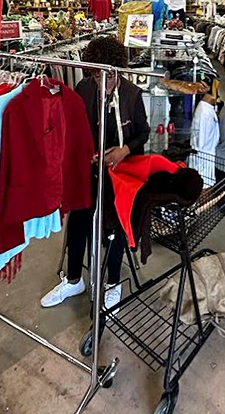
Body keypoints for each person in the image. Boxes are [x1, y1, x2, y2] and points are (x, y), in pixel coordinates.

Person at [40, 36, 150, 310]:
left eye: (108, 76)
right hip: (87, 170)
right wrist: (84, 151)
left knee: (113, 227)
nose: (103, 81)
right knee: (78, 222)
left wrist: (123, 150)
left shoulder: (132, 95)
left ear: (117, 70)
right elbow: (77, 127)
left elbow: (143, 133)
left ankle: (113, 282)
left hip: (119, 174)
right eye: (97, 75)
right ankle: (74, 279)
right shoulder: (84, 87)